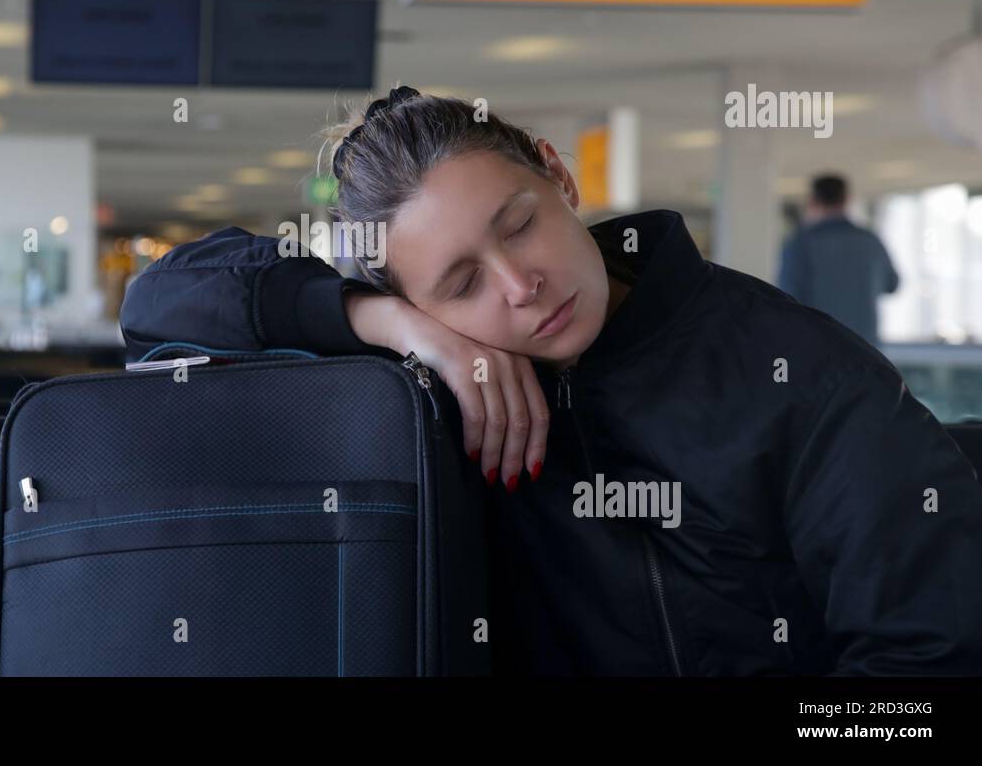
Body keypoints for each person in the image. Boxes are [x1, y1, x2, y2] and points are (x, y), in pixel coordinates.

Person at [120, 86, 982, 675]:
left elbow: (927, 670)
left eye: (521, 225)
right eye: (460, 283)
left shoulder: (798, 372)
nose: (518, 285)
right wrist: (390, 326)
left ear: (558, 173)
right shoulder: (419, 380)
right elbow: (163, 297)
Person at [778, 174, 900, 346]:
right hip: (866, 349)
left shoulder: (801, 243)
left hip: (820, 347)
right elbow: (893, 284)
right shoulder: (869, 240)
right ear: (847, 199)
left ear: (813, 201)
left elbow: (788, 299)